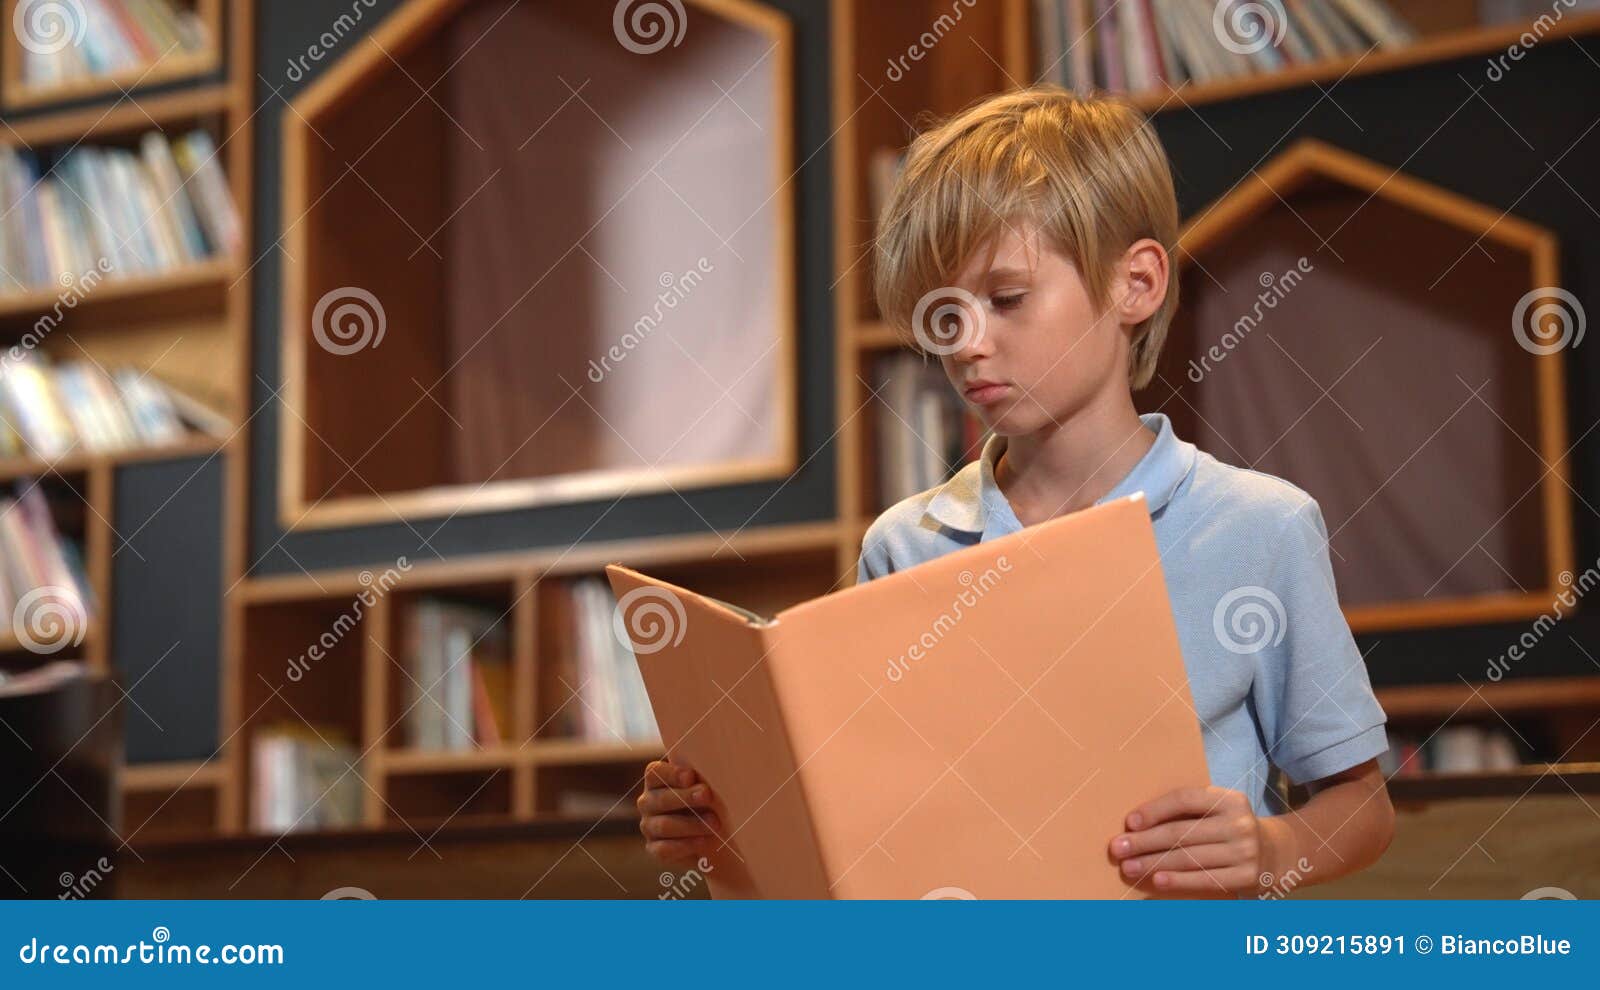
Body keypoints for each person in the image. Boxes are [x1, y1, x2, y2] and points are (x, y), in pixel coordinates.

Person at [638, 85, 1394, 896]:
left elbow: (1361, 804)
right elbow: (868, 827)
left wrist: (1275, 848)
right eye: (944, 315)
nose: (968, 345)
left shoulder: (1260, 527)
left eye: (1006, 299)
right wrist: (725, 828)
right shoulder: (904, 544)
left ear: (1135, 284)